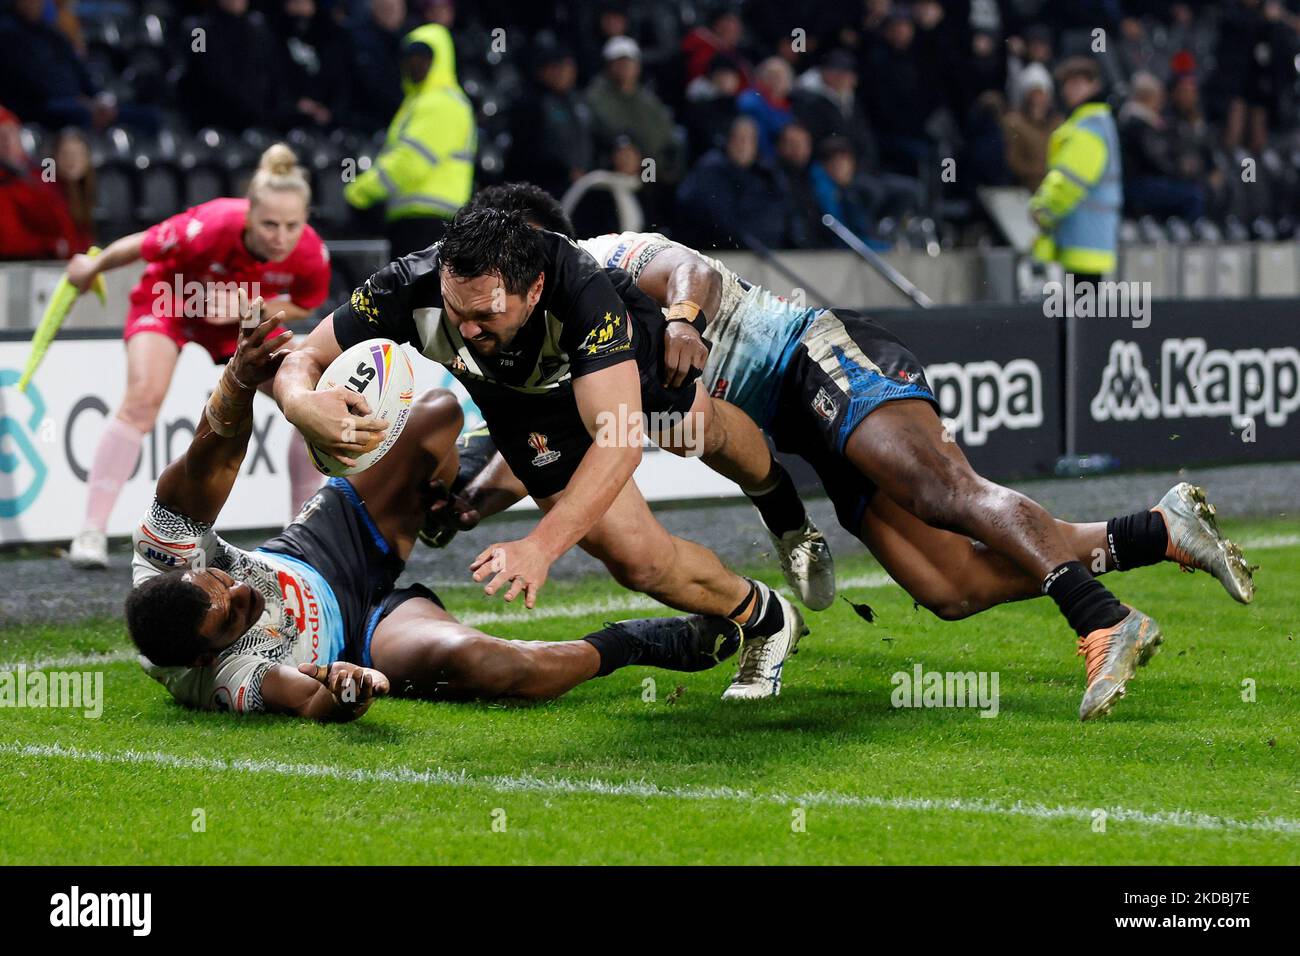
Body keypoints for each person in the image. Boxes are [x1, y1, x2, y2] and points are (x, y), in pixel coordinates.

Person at [483, 183, 1258, 721]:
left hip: (815, 354)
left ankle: (1100, 619)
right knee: (949, 586)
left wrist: (682, 317)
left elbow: (684, 267)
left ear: (532, 260)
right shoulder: (552, 344)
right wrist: (467, 497)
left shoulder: (599, 258)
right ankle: (1160, 530)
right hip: (799, 432)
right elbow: (551, 442)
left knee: (944, 493)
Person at [273, 206, 809, 700]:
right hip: (520, 402)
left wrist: (540, 547)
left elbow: (619, 443)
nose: (467, 328)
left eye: (485, 313)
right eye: (456, 310)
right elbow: (306, 356)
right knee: (637, 563)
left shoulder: (584, 294)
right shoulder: (405, 285)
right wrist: (302, 404)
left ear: (534, 291)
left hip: (613, 361)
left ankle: (782, 504)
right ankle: (767, 616)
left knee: (690, 430)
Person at [126, 294, 745, 720]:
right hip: (363, 634)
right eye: (235, 616)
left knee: (436, 417)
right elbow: (305, 699)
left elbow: (205, 471)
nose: (245, 595)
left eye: (224, 582)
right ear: (211, 655)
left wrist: (237, 382)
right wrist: (345, 690)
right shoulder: (223, 679)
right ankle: (635, 643)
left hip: (315, 549)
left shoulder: (161, 559)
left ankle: (452, 504)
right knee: (488, 666)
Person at [61, 144, 330, 570]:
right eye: (269, 225)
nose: (280, 237)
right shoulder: (210, 224)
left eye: (291, 225)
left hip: (236, 321)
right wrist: (89, 270)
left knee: (303, 392)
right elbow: (141, 245)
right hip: (169, 302)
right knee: (143, 399)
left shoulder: (310, 252)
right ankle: (90, 533)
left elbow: (302, 301)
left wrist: (251, 308)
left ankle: (301, 531)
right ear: (248, 215)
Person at [344, 23, 475, 255]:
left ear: (440, 59)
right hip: (417, 222)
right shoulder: (417, 103)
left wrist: (360, 192)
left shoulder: (441, 103)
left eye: (424, 57)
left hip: (430, 223)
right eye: (410, 57)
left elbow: (409, 162)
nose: (415, 64)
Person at [1028, 56, 1121, 287]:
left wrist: (1042, 209)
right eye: (1068, 84)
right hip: (1089, 238)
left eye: (1079, 83)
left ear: (1095, 85)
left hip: (1082, 239)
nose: (1071, 90)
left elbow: (1069, 181)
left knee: (1080, 315)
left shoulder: (1088, 129)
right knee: (1085, 315)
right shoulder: (1097, 123)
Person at [0, 105, 83, 259]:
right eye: (1, 136)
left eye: (11, 133)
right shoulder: (5, 184)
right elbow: (10, 242)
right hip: (24, 264)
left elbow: (60, 215)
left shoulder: (41, 172)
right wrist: (51, 245)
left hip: (63, 259)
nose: (7, 141)